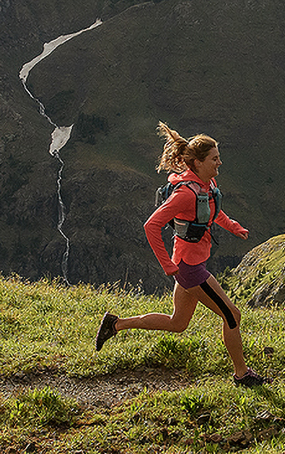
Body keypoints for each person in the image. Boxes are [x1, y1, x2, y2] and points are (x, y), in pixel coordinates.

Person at [94, 122, 264, 387]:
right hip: (189, 268)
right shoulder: (185, 193)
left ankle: (115, 324)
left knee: (177, 323)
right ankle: (242, 374)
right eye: (215, 159)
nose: (220, 163)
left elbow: (212, 210)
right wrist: (167, 265)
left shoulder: (206, 184)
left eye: (219, 157)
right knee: (232, 315)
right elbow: (151, 225)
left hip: (191, 263)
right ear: (197, 162)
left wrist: (233, 227)